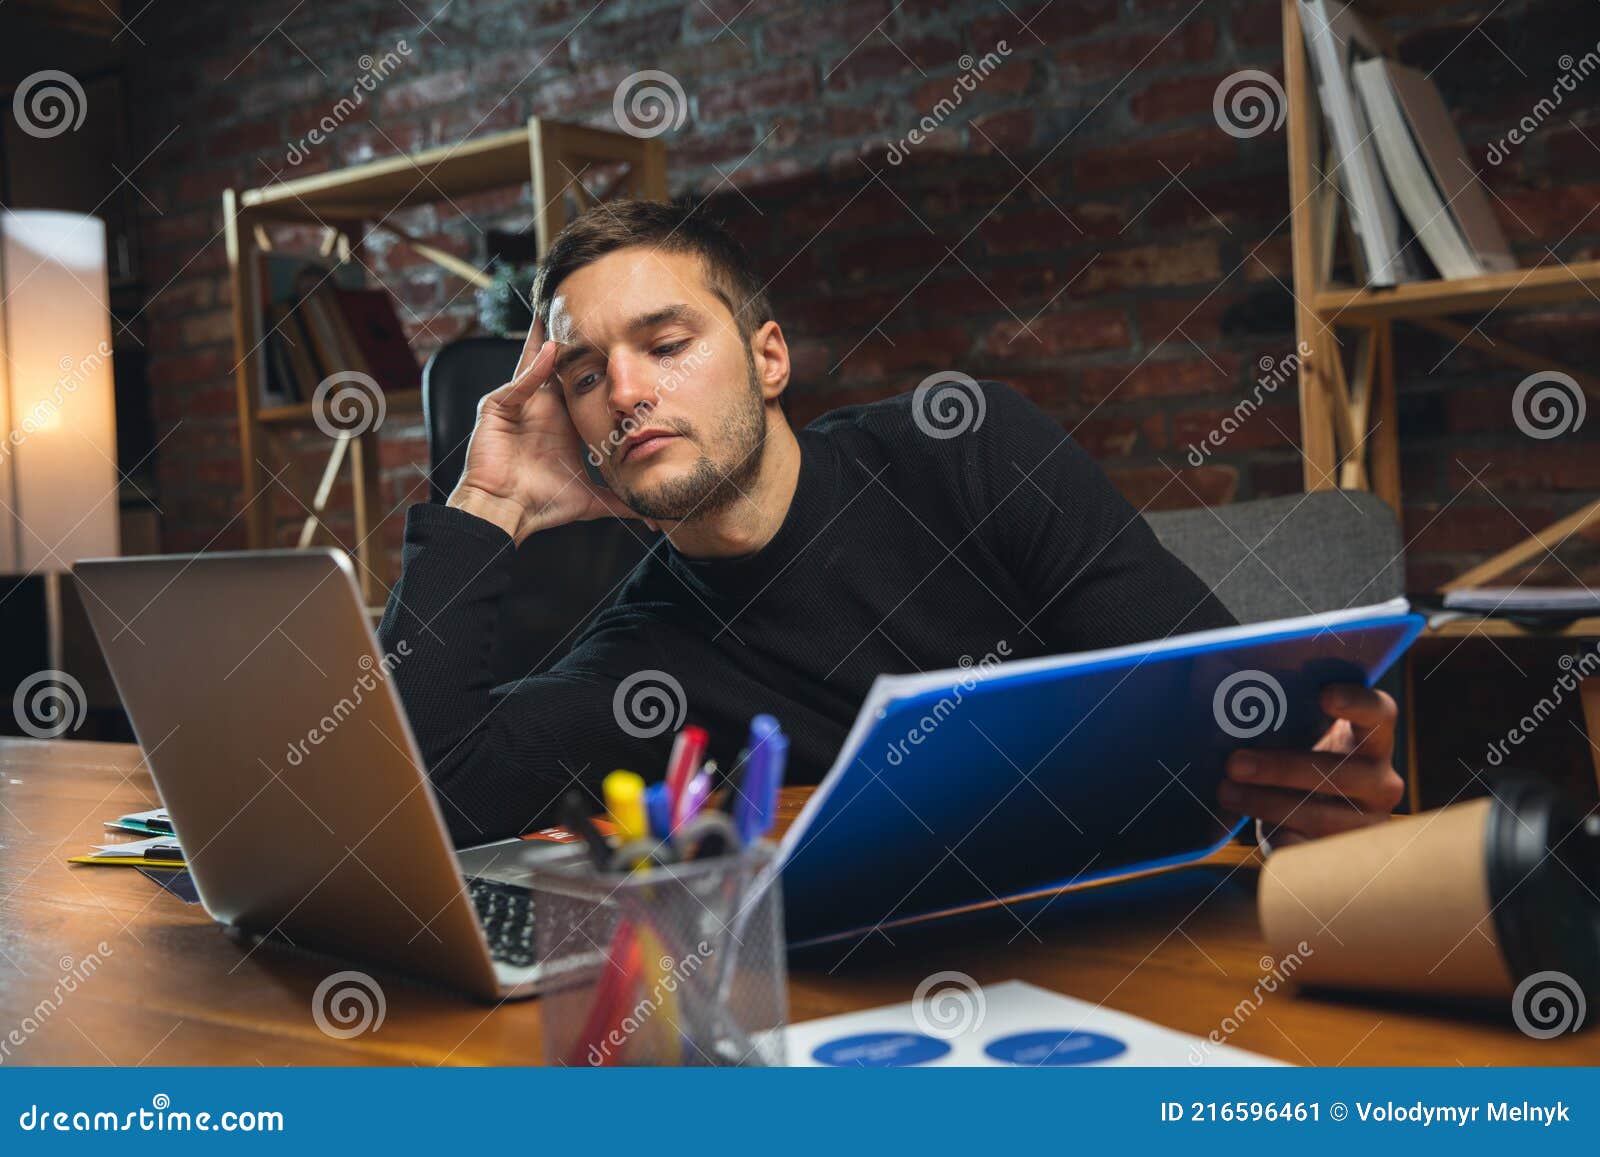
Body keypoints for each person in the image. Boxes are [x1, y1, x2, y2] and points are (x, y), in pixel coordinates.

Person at [376, 198, 1402, 851]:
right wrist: (490, 503)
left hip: (1121, 934)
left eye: (667, 341)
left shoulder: (965, 450)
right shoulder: (635, 655)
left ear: (769, 358)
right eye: (590, 375)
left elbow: (1207, 703)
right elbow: (424, 804)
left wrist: (1307, 773)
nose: (628, 390)